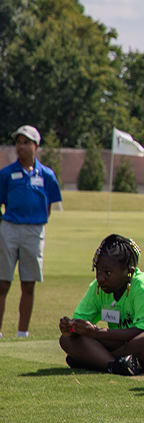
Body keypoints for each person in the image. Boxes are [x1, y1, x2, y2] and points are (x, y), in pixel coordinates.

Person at [60, 235, 144, 375]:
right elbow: (80, 325)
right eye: (98, 270)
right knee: (67, 340)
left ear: (129, 272)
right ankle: (114, 365)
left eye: (107, 273)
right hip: (124, 342)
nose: (101, 278)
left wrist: (96, 332)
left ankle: (98, 360)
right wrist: (71, 327)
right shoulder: (98, 288)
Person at [1, 124, 62, 338]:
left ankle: (22, 333)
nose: (21, 146)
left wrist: (37, 222)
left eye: (26, 142)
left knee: (28, 284)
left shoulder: (47, 175)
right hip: (8, 229)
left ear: (36, 145)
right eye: (18, 142)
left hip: (35, 231)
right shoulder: (7, 174)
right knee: (2, 283)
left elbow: (49, 206)